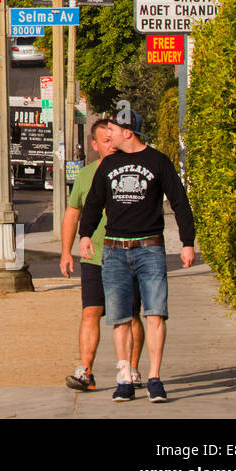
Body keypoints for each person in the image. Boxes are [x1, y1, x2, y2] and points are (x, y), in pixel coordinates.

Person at [78, 110, 196, 403]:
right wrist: (84, 235)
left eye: (113, 129)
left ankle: (155, 378)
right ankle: (125, 377)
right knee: (121, 317)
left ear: (127, 132)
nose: (109, 133)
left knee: (155, 313)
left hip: (150, 248)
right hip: (115, 250)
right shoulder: (108, 165)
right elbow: (93, 203)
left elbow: (180, 202)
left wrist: (187, 242)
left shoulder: (158, 162)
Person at [61, 118, 146, 392]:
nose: (111, 145)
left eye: (114, 139)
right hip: (94, 257)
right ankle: (85, 370)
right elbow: (72, 214)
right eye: (105, 141)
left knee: (131, 315)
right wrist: (66, 252)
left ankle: (131, 369)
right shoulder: (86, 176)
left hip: (128, 252)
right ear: (95, 145)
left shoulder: (134, 170)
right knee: (91, 311)